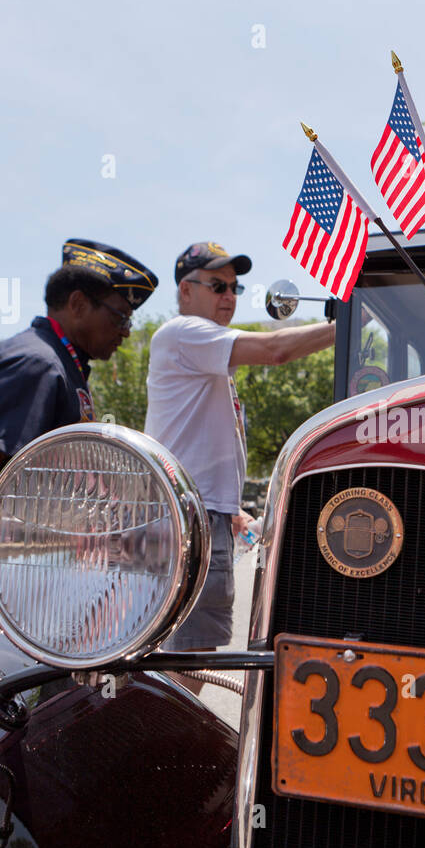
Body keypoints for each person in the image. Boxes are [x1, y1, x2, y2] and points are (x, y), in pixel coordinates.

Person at [145, 241, 335, 650]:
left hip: (200, 512)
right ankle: (163, 717)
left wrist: (232, 513)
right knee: (184, 656)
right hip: (189, 516)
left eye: (235, 288)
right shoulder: (185, 333)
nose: (229, 296)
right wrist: (347, 324)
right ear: (185, 291)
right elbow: (276, 349)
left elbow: (198, 440)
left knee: (189, 651)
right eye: (218, 286)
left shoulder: (201, 349)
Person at [0, 238, 158, 599]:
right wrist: (15, 564)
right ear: (77, 304)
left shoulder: (61, 362)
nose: (125, 331)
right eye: (120, 317)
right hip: (15, 589)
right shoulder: (35, 364)